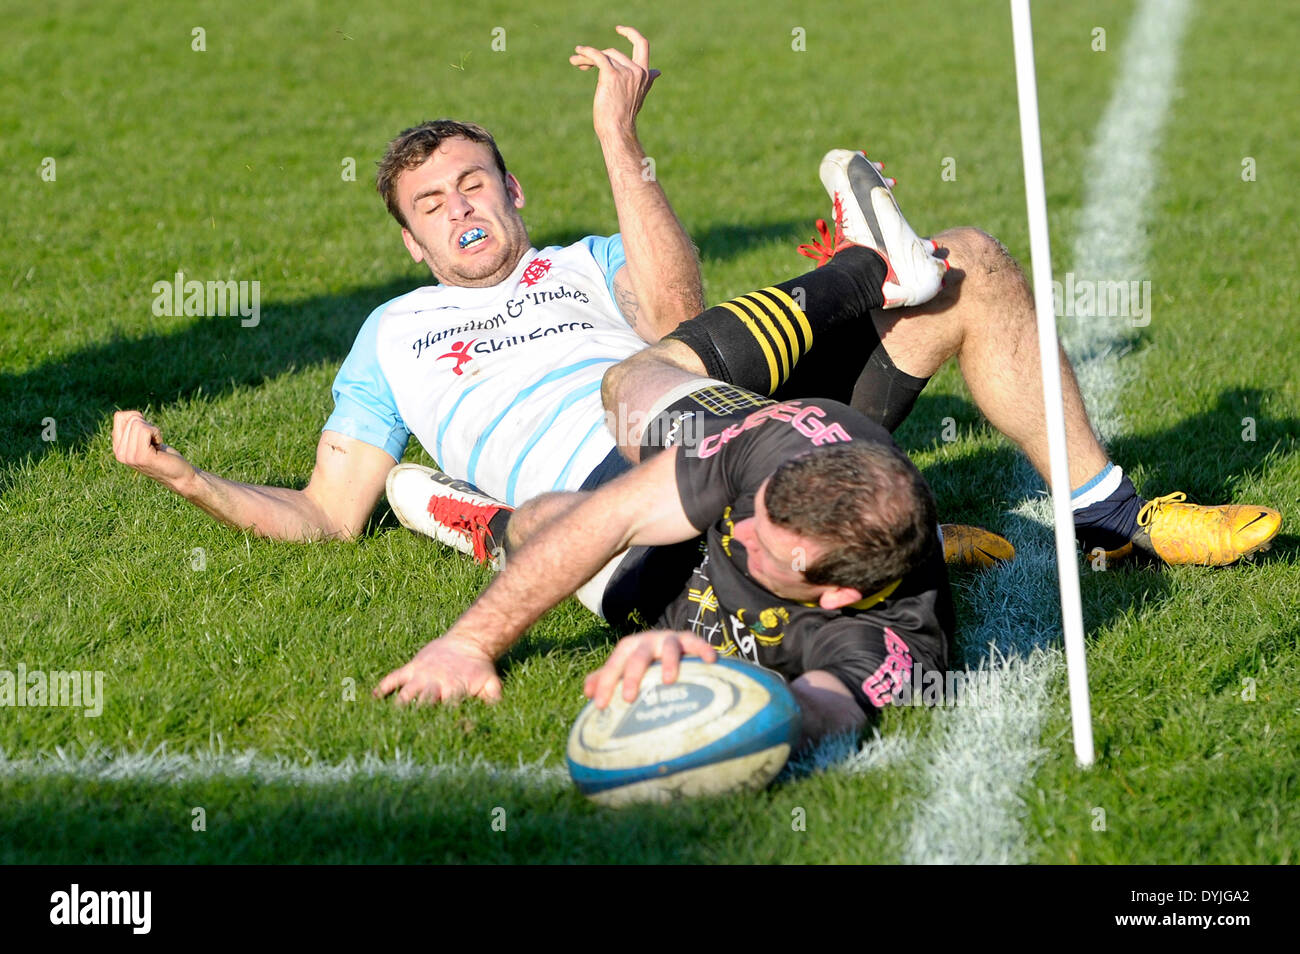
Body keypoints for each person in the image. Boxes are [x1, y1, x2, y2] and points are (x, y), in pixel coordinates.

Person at [110, 27, 1279, 572]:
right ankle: (883, 449)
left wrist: (620, 139)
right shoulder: (389, 336)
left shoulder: (576, 261)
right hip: (628, 503)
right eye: (432, 204)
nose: (460, 208)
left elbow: (673, 300)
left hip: (717, 413)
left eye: (475, 182)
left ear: (513, 189)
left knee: (966, 260)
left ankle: (1109, 511)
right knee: (660, 418)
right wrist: (183, 475)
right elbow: (324, 513)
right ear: (412, 242)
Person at [378, 349, 954, 747]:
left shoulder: (890, 641)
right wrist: (467, 644)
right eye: (756, 512)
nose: (740, 530)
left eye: (767, 550)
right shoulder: (791, 446)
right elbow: (613, 517)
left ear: (837, 595)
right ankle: (500, 528)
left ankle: (498, 527)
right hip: (710, 467)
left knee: (541, 525)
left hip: (677, 603)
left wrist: (720, 690)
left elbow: (822, 711)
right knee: (561, 497)